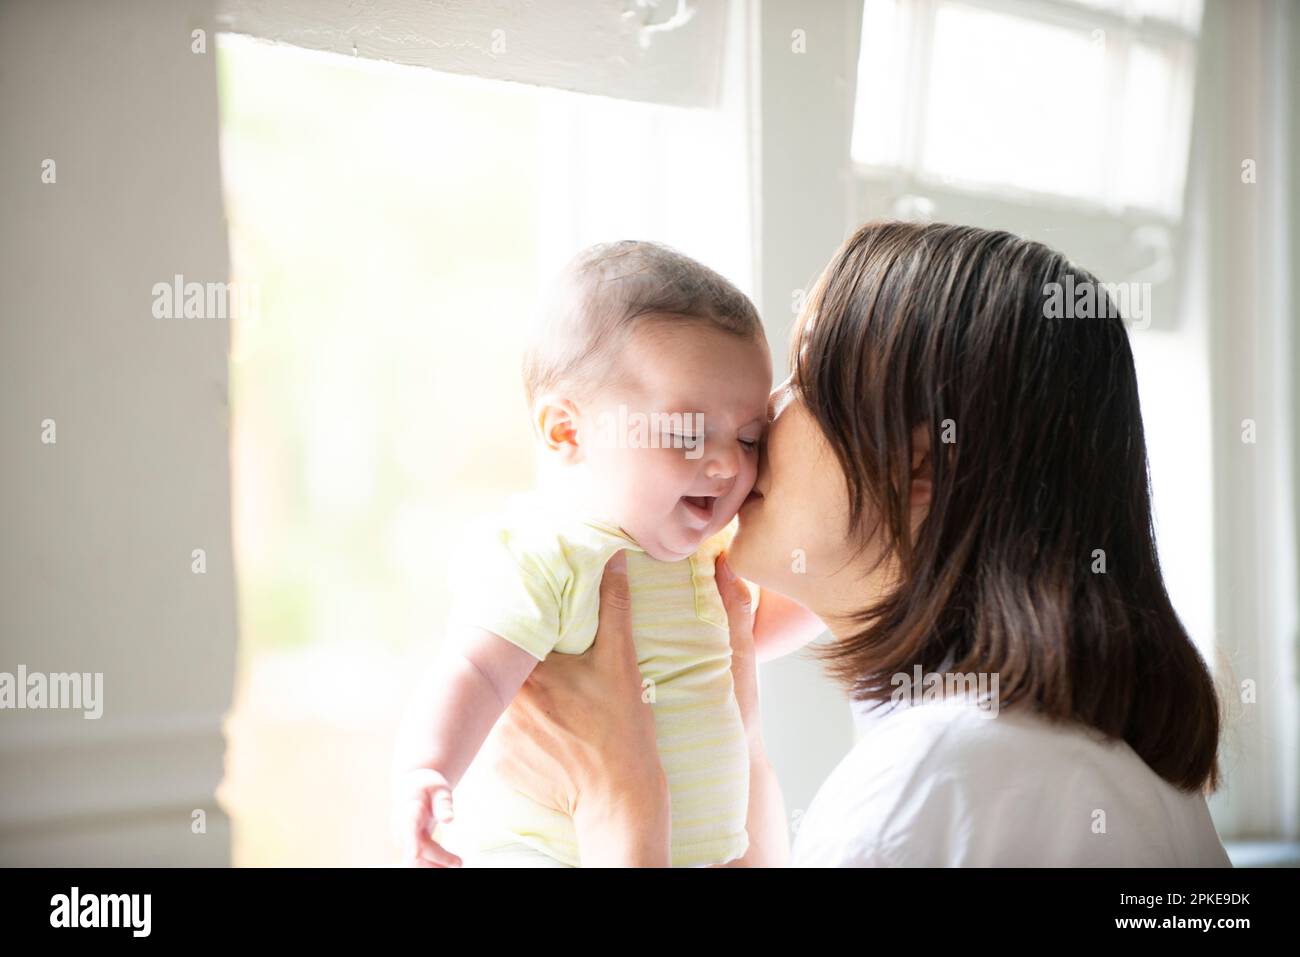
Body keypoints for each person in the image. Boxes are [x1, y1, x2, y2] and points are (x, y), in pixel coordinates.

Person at [470, 221, 1233, 867]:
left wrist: (619, 803)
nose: (762, 416)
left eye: (804, 379)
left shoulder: (932, 789)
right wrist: (733, 742)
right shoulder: (1128, 770)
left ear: (921, 465)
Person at [390, 240, 823, 868]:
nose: (729, 463)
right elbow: (475, 671)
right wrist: (426, 768)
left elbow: (765, 623)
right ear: (568, 431)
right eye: (687, 431)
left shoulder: (705, 558)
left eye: (750, 437)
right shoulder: (553, 553)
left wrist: (863, 581)